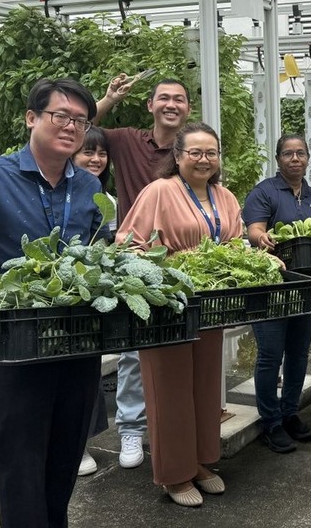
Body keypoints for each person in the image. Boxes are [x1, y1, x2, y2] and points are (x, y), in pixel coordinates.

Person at [0, 78, 104, 527]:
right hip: (15, 344)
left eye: (81, 120)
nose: (72, 127)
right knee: (19, 463)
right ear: (32, 118)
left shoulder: (90, 186)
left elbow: (104, 255)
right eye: (61, 116)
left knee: (65, 457)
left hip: (78, 341)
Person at [113, 121, 238, 507]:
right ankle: (174, 474)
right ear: (178, 156)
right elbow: (128, 245)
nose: (204, 160)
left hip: (210, 306)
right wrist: (166, 269)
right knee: (169, 388)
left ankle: (200, 462)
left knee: (204, 385)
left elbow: (234, 244)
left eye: (211, 153)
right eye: (195, 152)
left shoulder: (226, 196)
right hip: (166, 306)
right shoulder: (159, 191)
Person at [91, 74, 193, 470]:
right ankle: (132, 427)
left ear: (187, 108)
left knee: (183, 346)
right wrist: (109, 97)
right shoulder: (128, 141)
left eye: (179, 99)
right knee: (135, 351)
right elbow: (83, 128)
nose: (171, 104)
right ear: (150, 105)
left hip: (184, 258)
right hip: (137, 258)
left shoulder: (191, 148)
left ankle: (172, 425)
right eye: (163, 98)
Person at [242, 133, 311, 453]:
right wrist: (260, 238)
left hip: (305, 286)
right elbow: (254, 229)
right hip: (271, 287)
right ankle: (271, 421)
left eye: (301, 154)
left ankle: (290, 412)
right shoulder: (264, 192)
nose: (295, 159)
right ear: (278, 159)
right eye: (288, 154)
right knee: (270, 355)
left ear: (308, 158)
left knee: (298, 352)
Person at [72, 125, 116, 477]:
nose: (96, 159)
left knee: (84, 368)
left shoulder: (106, 199)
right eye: (88, 152)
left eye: (101, 153)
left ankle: (80, 443)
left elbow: (107, 246)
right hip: (60, 289)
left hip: (88, 291)